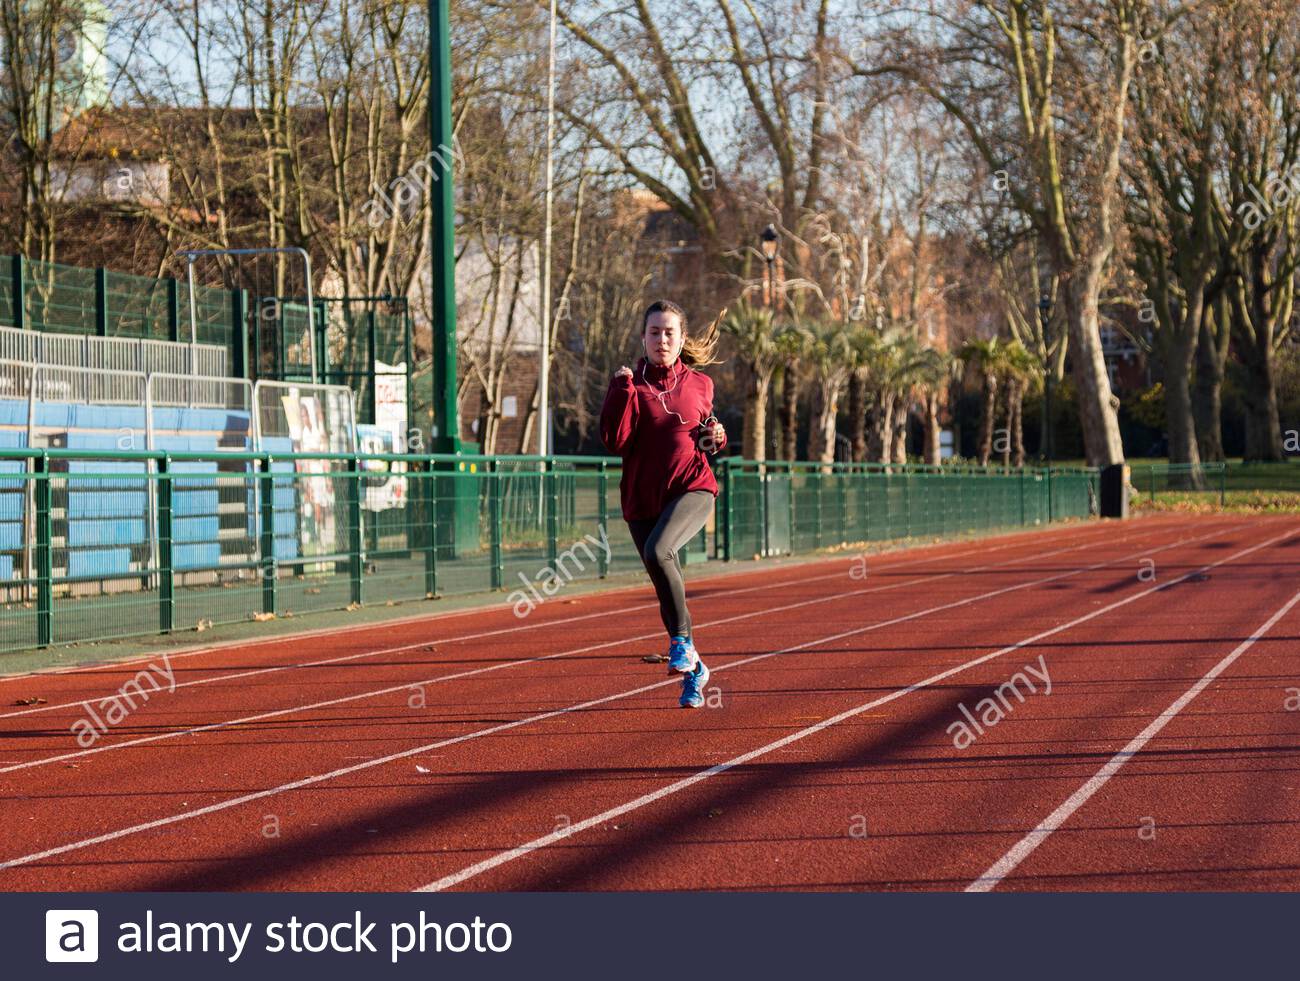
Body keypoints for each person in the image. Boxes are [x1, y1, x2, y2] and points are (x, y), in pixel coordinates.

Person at [599, 299, 728, 708]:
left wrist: (717, 437)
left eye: (669, 332)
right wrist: (621, 390)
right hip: (642, 499)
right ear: (643, 337)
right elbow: (614, 441)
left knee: (660, 550)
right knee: (661, 578)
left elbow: (706, 439)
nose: (662, 339)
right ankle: (695, 670)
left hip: (693, 488)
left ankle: (683, 644)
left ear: (681, 338)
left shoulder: (700, 384)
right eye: (654, 332)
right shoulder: (629, 384)